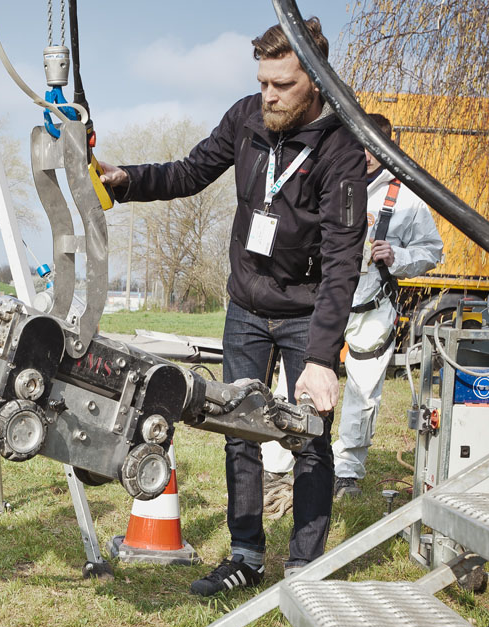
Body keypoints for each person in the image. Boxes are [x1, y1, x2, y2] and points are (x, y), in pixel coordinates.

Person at [98, 17, 366, 595]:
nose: (269, 95)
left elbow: (345, 258)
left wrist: (322, 356)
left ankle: (303, 570)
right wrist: (125, 180)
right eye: (264, 81)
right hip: (245, 305)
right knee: (237, 430)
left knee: (308, 438)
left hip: (304, 314)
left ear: (316, 81)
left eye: (283, 85)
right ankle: (245, 555)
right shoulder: (247, 116)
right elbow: (190, 172)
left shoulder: (342, 149)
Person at [332, 113, 443, 498]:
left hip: (372, 304)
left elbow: (432, 251)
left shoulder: (406, 198)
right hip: (324, 301)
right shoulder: (330, 181)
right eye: (360, 143)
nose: (364, 154)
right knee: (303, 385)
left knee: (362, 392)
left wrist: (395, 255)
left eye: (373, 147)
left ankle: (346, 471)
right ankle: (285, 465)